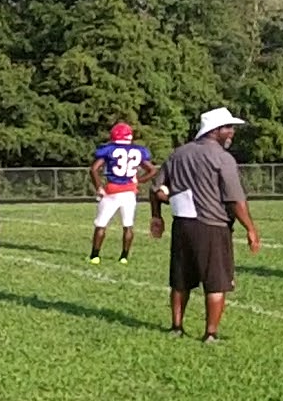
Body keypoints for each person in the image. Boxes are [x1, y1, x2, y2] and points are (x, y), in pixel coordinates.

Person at [150, 107, 260, 343]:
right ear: (215, 130)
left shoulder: (178, 154)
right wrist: (250, 228)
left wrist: (156, 216)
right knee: (216, 282)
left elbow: (156, 188)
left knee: (181, 281)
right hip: (213, 226)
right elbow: (235, 199)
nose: (232, 132)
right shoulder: (222, 158)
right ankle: (210, 333)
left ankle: (176, 327)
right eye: (228, 127)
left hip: (182, 225)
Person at [89, 122, 157, 265]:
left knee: (101, 225)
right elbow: (152, 170)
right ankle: (124, 257)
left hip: (112, 191)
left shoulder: (109, 149)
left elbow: (94, 169)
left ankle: (95, 256)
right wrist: (138, 180)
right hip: (129, 192)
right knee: (128, 225)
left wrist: (99, 187)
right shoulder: (138, 151)